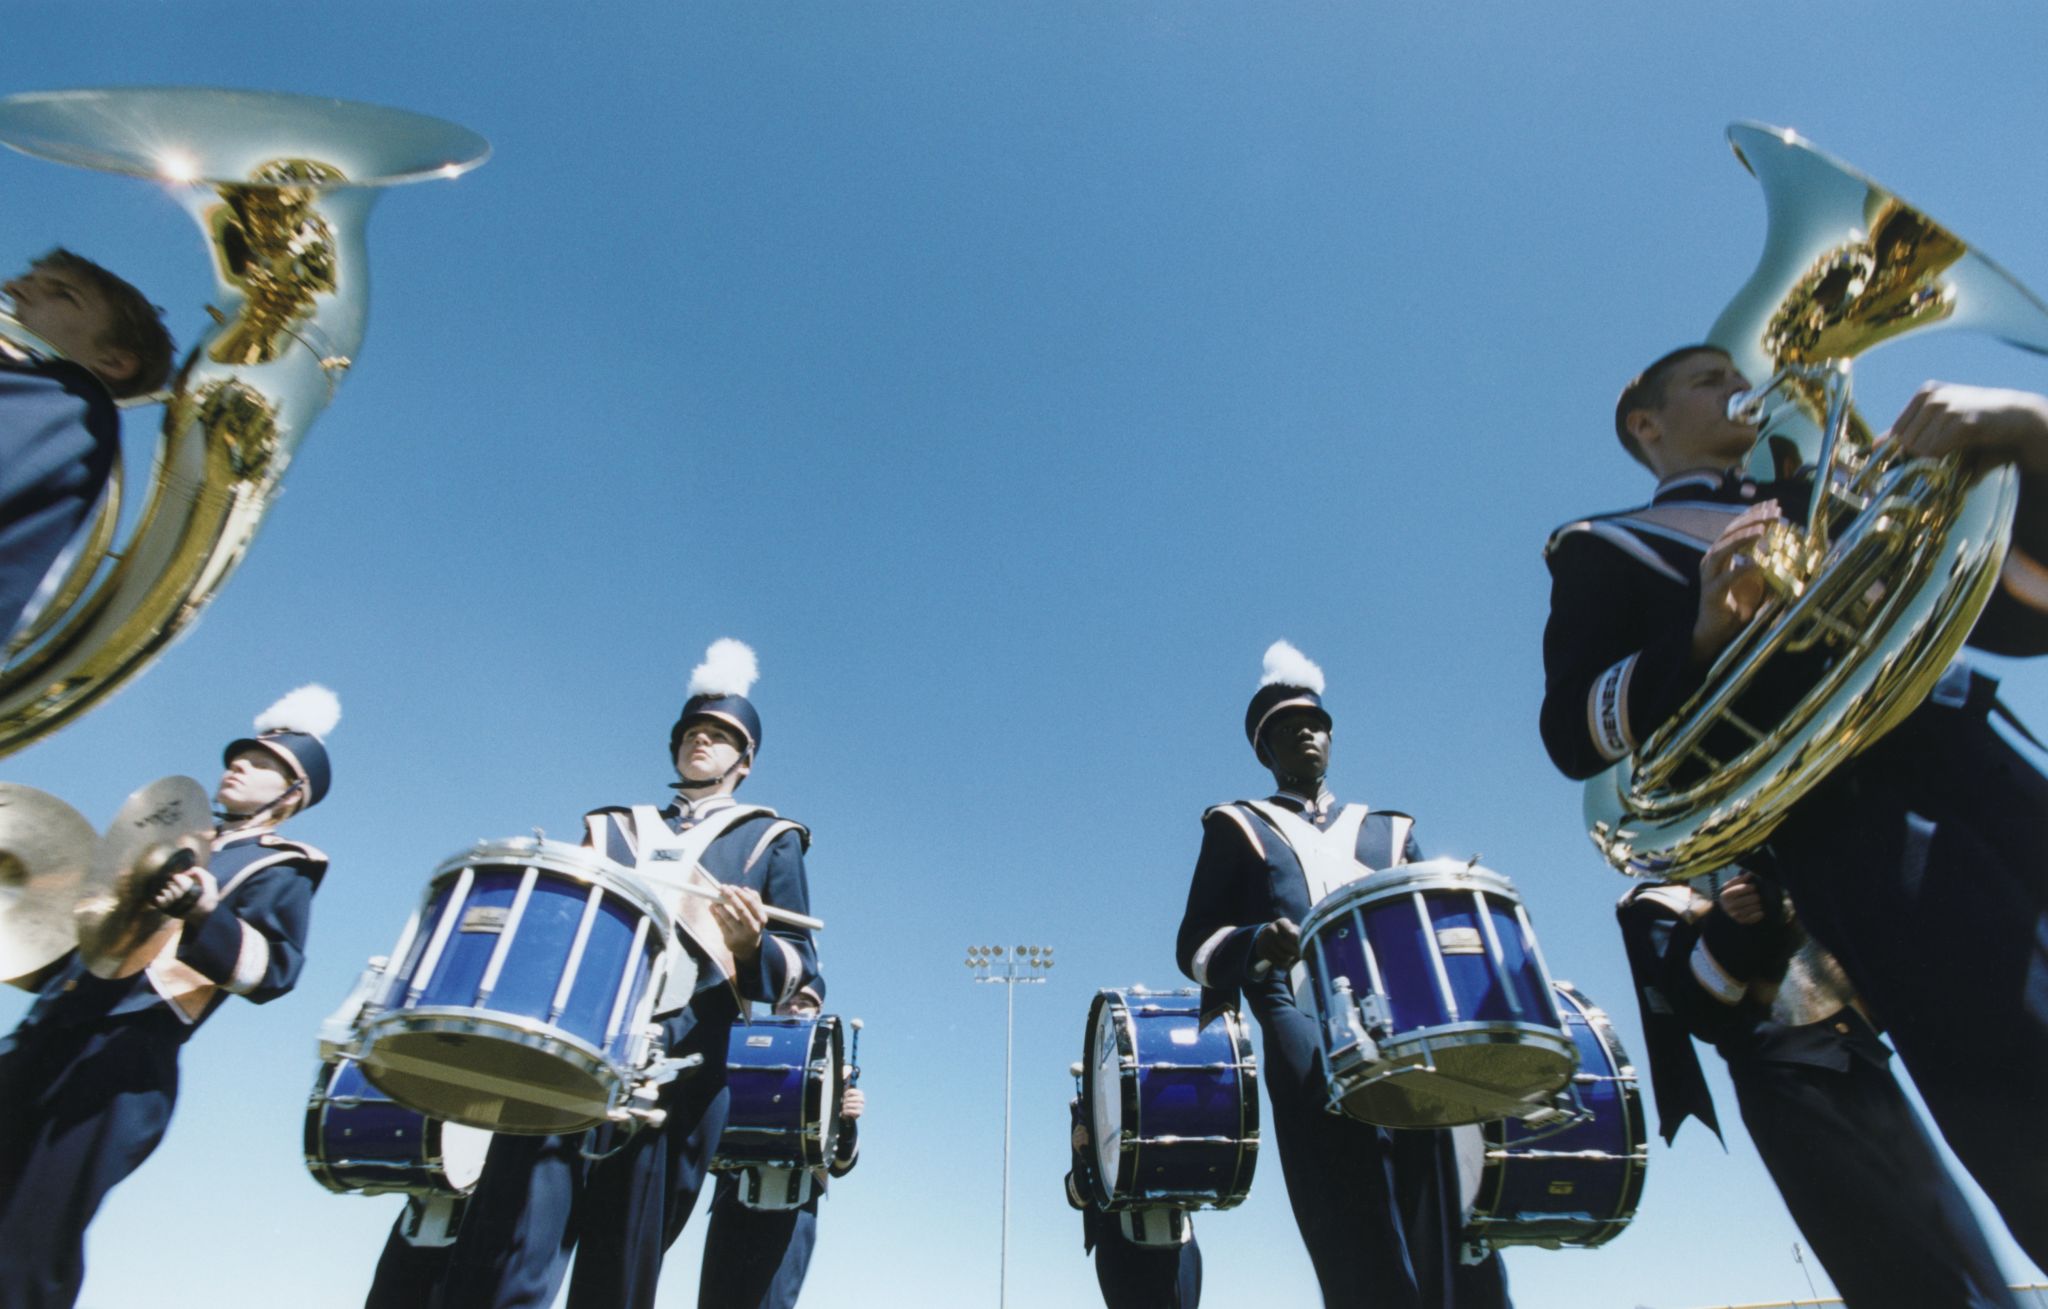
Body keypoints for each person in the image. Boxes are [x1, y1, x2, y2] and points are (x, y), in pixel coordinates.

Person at [1541, 344, 2048, 1263]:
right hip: (1855, 825)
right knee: (2021, 1071)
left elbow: (2029, 607)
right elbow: (1573, 729)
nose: (1739, 383)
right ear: (1646, 426)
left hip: (1989, 762)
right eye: (1705, 377)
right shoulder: (1603, 545)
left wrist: (2027, 433)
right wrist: (1697, 635)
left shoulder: (1832, 486)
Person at [436, 638, 818, 1309]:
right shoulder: (612, 828)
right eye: (694, 730)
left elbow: (798, 971)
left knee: (619, 1275)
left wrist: (749, 942)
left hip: (684, 1065)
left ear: (744, 761)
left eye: (721, 734)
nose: (703, 739)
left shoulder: (766, 838)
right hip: (569, 1052)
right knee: (506, 1256)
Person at [1175, 641, 1509, 1309]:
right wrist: (1255, 940)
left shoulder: (1389, 830)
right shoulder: (1240, 825)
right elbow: (1194, 944)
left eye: (1316, 722)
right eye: (1285, 726)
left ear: (1331, 736)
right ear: (1264, 749)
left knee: (1440, 1225)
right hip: (1300, 1025)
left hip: (1406, 1039)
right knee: (1353, 1233)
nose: (1306, 731)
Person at [0, 684, 339, 1308]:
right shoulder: (168, 839)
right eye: (240, 755)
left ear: (294, 796)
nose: (239, 764)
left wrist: (207, 912)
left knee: (27, 1249)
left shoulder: (279, 866)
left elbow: (274, 970)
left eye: (266, 763)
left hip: (122, 1059)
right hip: (47, 1032)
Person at [1616, 873, 2017, 1308]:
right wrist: (1731, 925)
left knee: (1960, 1245)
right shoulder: (1656, 903)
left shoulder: (1773, 855)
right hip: (1783, 1077)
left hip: (1860, 1057)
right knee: (1891, 1267)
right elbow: (1700, 1013)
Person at [1, 249, 175, 640]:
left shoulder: (73, 399)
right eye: (26, 279)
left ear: (113, 362)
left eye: (62, 293)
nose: (13, 288)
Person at [696, 985, 861, 1309]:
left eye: (805, 1003)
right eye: (788, 1003)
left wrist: (848, 1120)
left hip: (796, 1204)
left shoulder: (834, 1071)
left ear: (818, 1011)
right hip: (734, 1196)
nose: (796, 1009)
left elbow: (841, 1165)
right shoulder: (741, 1046)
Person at [1064, 1093, 1203, 1308]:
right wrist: (1083, 1156)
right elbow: (1080, 1197)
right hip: (1119, 1241)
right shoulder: (1087, 1104)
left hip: (1177, 1235)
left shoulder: (1174, 1091)